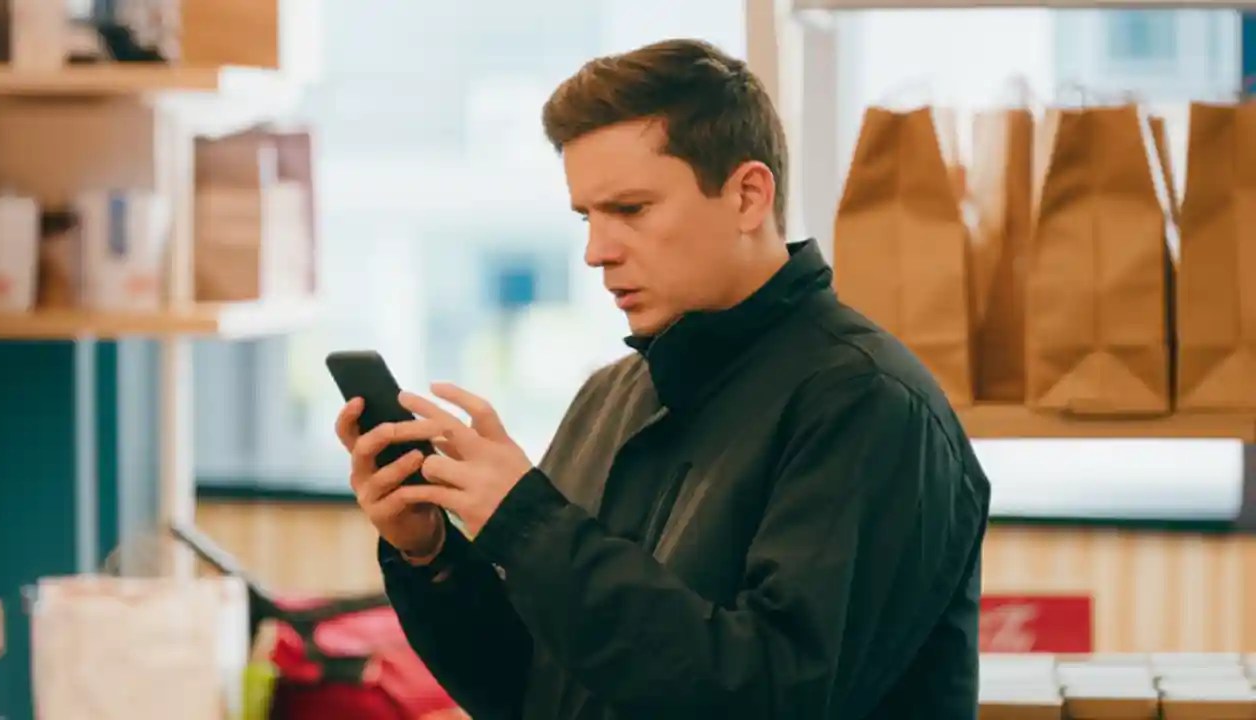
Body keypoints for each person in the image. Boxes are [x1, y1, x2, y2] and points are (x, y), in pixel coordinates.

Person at [335, 38, 991, 720]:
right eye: (587, 216)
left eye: (632, 210)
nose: (596, 252)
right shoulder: (610, 396)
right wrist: (432, 557)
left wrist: (527, 524)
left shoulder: (868, 403)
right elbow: (535, 692)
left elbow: (770, 695)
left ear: (747, 196)